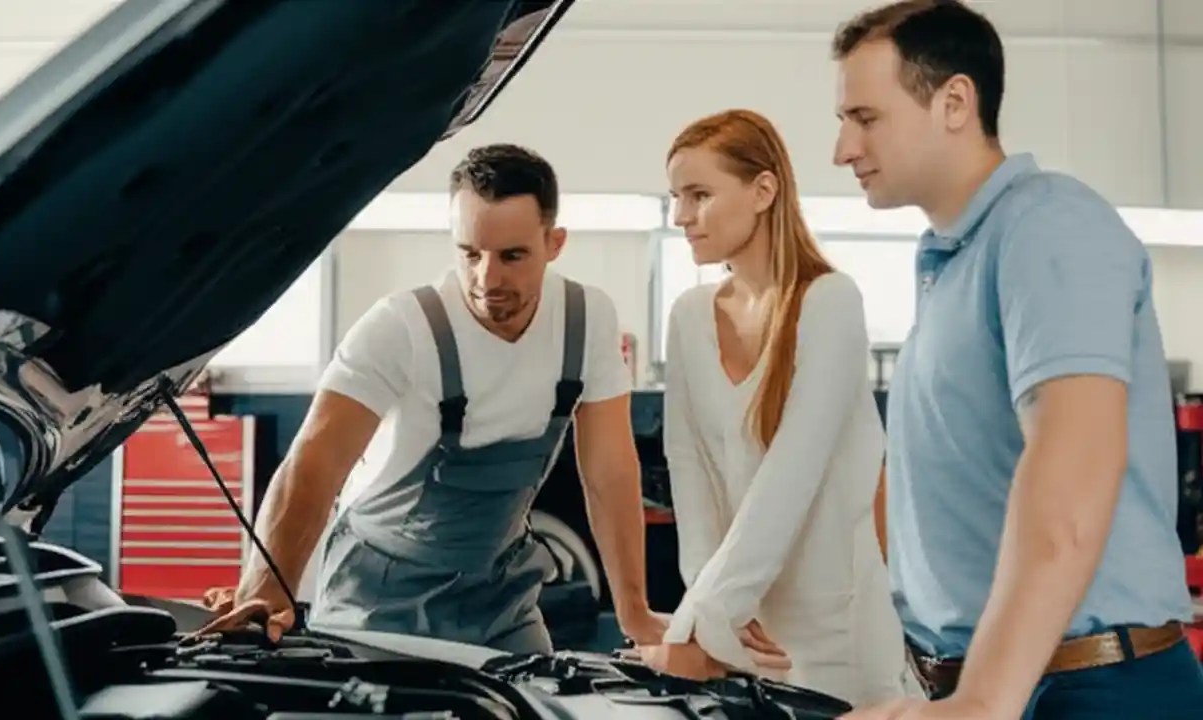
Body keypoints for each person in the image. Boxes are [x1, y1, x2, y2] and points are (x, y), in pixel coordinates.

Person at [829, 2, 1203, 719]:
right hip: (1000, 685)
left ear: (955, 103)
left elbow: (1074, 468)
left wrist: (981, 702)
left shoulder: (1047, 223)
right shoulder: (954, 261)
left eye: (865, 118)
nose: (843, 149)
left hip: (1091, 690)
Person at [198, 143, 666, 654]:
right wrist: (264, 590)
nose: (487, 279)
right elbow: (314, 463)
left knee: (537, 695)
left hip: (500, 593)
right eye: (470, 253)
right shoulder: (402, 327)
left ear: (554, 243)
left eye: (512, 256)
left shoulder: (586, 320)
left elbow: (609, 472)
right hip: (378, 597)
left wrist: (634, 613)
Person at [637, 108, 917, 707]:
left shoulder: (830, 302)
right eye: (676, 197)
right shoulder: (688, 317)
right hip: (744, 630)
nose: (680, 215)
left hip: (834, 629)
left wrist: (708, 617)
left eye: (699, 195)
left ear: (763, 191)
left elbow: (794, 472)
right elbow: (690, 470)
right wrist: (710, 609)